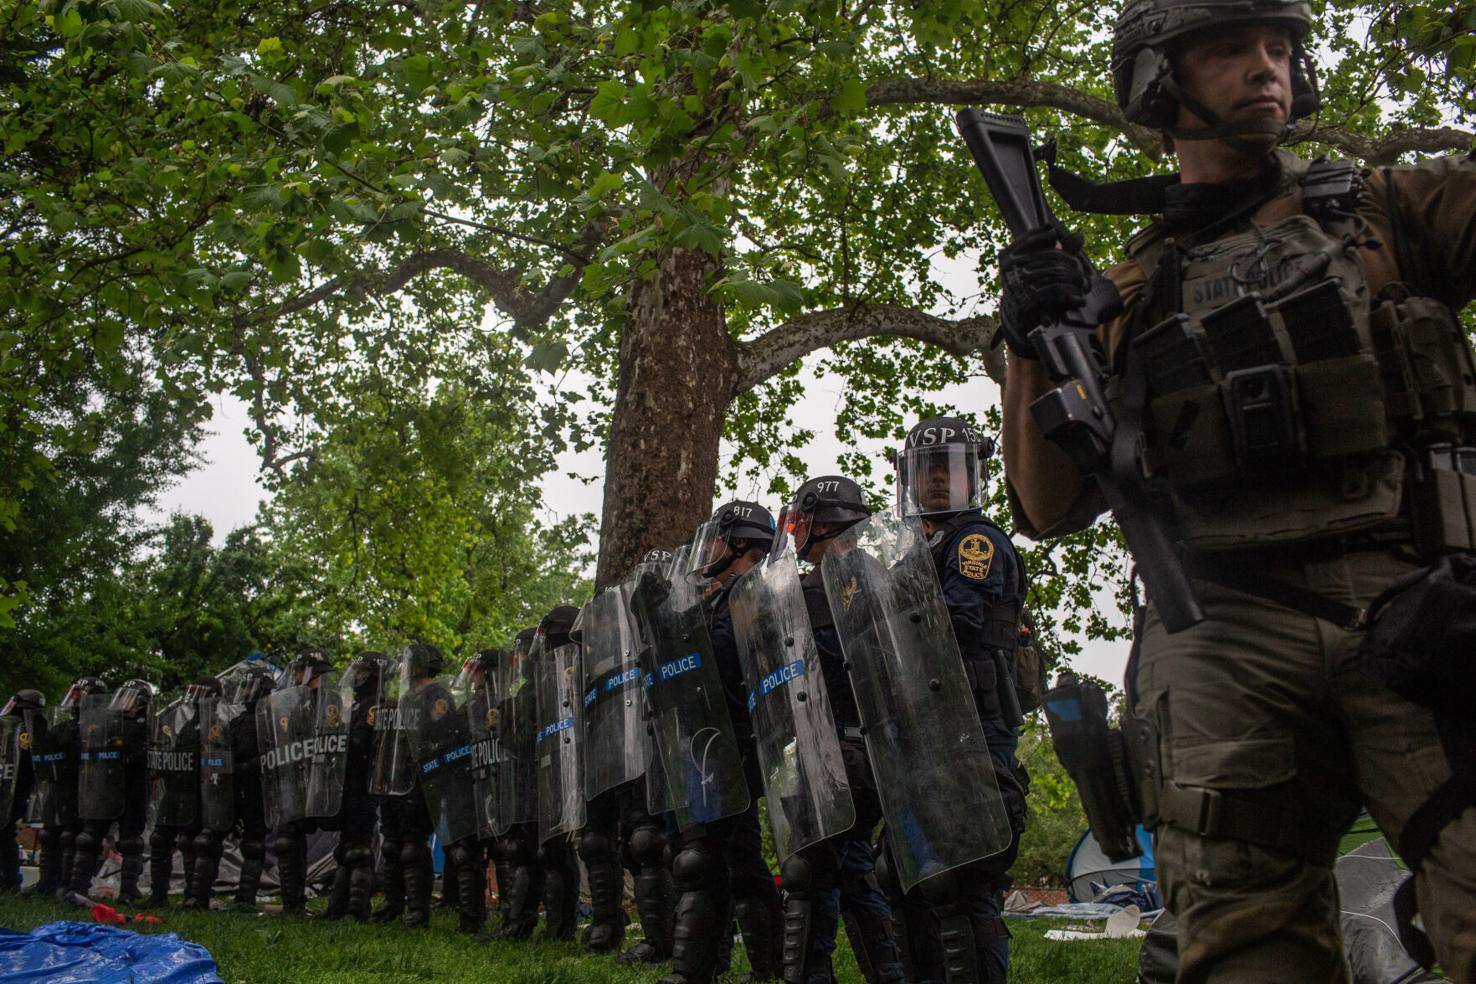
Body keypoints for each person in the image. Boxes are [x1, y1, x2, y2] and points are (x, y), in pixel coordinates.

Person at [997, 1, 1476, 979]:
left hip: (1424, 609)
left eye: (1281, 49)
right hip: (1220, 635)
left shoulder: (1388, 209)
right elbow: (1048, 507)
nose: (1267, 69)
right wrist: (1029, 341)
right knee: (1244, 954)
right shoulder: (1121, 295)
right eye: (1229, 49)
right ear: (1158, 83)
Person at [884, 418, 1029, 984]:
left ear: (974, 476)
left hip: (975, 724)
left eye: (949, 468)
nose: (937, 481)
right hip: (923, 726)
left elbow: (953, 620)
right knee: (907, 872)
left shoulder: (976, 540)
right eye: (926, 470)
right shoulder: (913, 552)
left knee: (965, 876)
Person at [776, 476, 907, 984]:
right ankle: (884, 974)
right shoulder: (880, 576)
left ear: (822, 521)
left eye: (800, 523)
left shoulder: (827, 586)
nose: (793, 534)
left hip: (844, 750)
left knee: (817, 864)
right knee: (849, 866)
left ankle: (814, 975)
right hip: (859, 750)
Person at [662, 501, 785, 984]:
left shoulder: (755, 597)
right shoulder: (715, 598)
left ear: (738, 545)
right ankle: (767, 966)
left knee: (701, 854)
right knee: (739, 857)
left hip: (737, 740)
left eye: (716, 538)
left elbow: (738, 669)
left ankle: (691, 972)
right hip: (707, 740)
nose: (707, 548)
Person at [189, 659, 275, 912]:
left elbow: (272, 756)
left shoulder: (271, 721)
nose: (245, 692)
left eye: (249, 687)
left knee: (254, 844)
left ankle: (245, 898)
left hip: (258, 791)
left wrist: (246, 767)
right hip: (231, 790)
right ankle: (198, 896)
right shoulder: (236, 722)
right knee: (209, 839)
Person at [69, 679, 154, 902]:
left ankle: (128, 891)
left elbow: (149, 758)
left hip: (132, 789)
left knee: (130, 842)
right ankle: (78, 886)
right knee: (89, 838)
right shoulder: (106, 723)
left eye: (130, 699)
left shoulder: (148, 727)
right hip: (103, 788)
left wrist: (128, 757)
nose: (124, 704)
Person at [320, 651, 386, 923]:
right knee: (346, 846)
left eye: (361, 672)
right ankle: (337, 907)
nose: (355, 676)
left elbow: (362, 745)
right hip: (348, 784)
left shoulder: (374, 706)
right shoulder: (358, 705)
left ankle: (357, 909)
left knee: (359, 848)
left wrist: (340, 738)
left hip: (363, 785)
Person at [25, 678, 106, 899]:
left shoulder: (101, 726)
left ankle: (69, 885)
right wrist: (39, 726)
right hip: (59, 786)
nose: (76, 698)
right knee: (49, 833)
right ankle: (46, 883)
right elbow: (46, 747)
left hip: (84, 789)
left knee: (73, 837)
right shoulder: (66, 725)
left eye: (82, 694)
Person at [0, 690, 42, 894]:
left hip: (12, 792)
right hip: (13, 791)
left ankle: (10, 879)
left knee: (5, 833)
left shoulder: (22, 731)